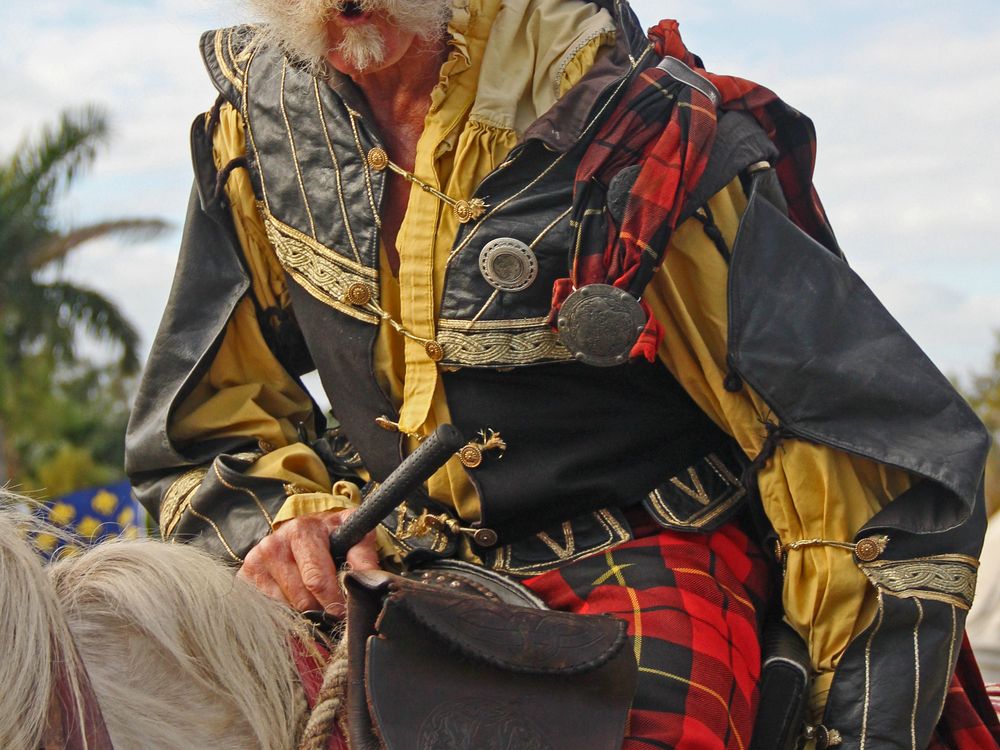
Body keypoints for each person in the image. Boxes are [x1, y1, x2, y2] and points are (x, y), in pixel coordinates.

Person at [125, 1, 999, 747]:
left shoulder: (643, 130)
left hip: (642, 557)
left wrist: (840, 719)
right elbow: (208, 423)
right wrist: (292, 526)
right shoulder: (255, 128)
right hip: (388, 570)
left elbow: (845, 461)